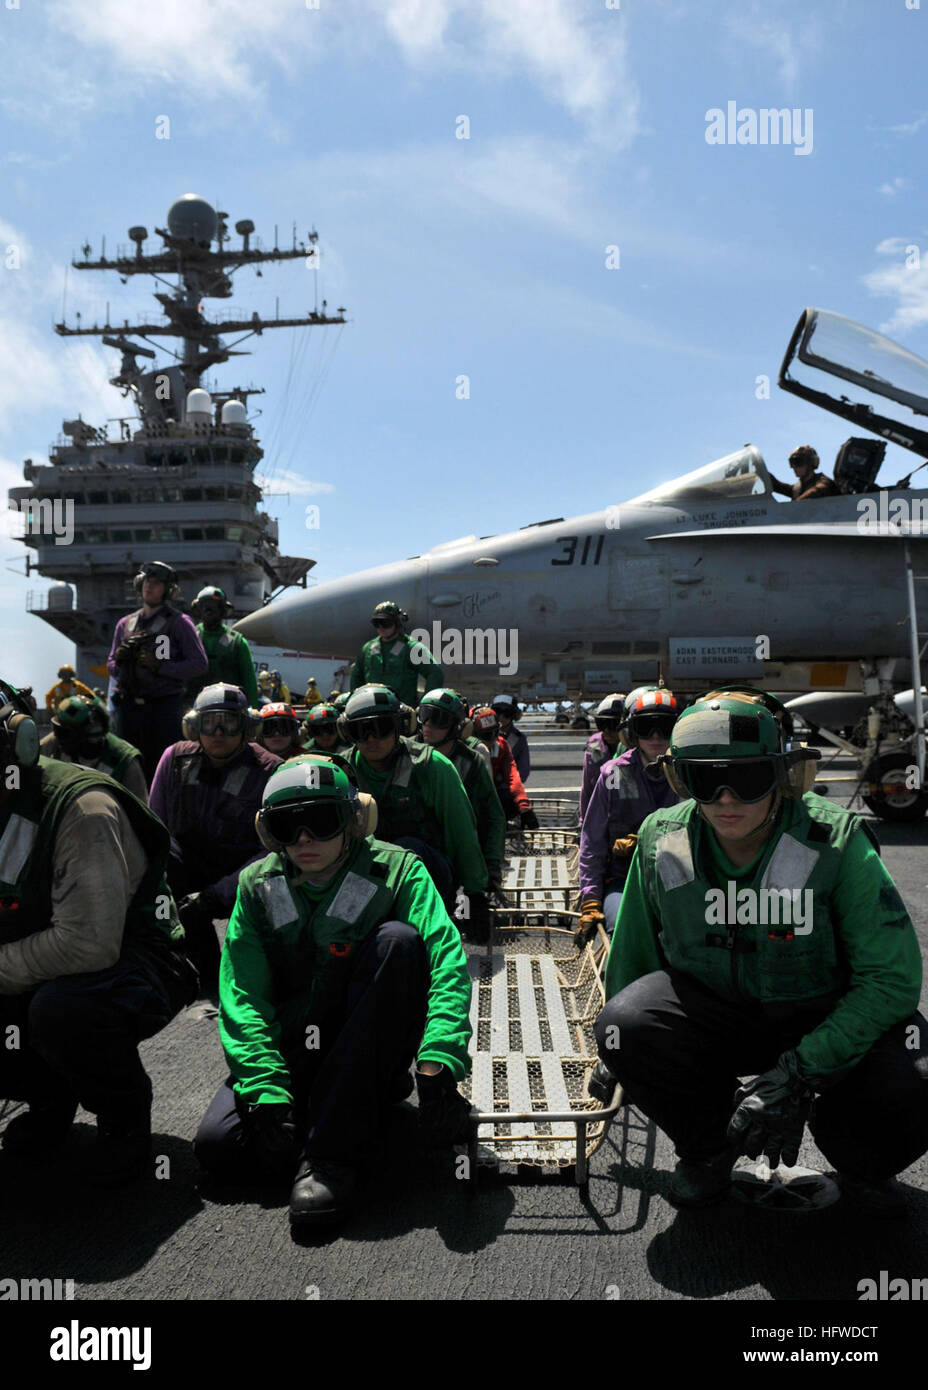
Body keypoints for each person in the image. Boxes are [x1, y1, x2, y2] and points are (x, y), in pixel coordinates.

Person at [594, 693, 928, 1217]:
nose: (727, 800)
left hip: (821, 1015)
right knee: (627, 1023)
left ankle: (860, 1158)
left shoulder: (834, 842)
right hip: (718, 1019)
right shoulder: (663, 839)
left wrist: (801, 1072)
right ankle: (709, 1149)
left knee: (919, 1070)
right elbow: (635, 955)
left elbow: (891, 980)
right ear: (682, 781)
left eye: (747, 779)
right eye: (707, 781)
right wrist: (614, 1053)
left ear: (781, 775)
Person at [193, 756, 473, 1226]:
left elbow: (446, 955)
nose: (303, 840)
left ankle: (329, 1155)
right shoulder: (259, 884)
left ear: (355, 818)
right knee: (219, 1149)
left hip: (365, 1039)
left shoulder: (398, 870)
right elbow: (242, 992)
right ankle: (347, 1116)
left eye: (321, 822)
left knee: (399, 943)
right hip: (292, 1043)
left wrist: (441, 1054)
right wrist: (264, 1085)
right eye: (287, 826)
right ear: (268, 832)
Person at [0, 679, 196, 1184]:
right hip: (37, 946)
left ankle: (123, 1120)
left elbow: (87, 944)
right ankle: (49, 1099)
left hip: (137, 958)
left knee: (63, 1011)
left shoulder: (80, 808)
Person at [148, 684, 280, 988]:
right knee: (158, 859)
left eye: (229, 722)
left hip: (245, 874)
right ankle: (189, 968)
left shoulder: (271, 771)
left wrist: (215, 896)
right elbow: (155, 828)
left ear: (247, 726)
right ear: (194, 726)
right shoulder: (174, 759)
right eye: (209, 722)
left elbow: (274, 850)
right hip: (190, 866)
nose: (218, 731)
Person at [340, 684, 489, 932]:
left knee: (409, 847)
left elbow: (460, 832)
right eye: (360, 730)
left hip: (426, 872)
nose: (371, 739)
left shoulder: (431, 767)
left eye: (381, 728)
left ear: (400, 725)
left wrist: (473, 893)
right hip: (362, 876)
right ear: (346, 732)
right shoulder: (340, 773)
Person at [578, 686, 680, 942]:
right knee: (623, 934)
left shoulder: (688, 775)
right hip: (624, 880)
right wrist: (590, 898)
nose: (656, 737)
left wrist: (647, 842)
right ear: (632, 732)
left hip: (680, 880)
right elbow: (593, 840)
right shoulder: (613, 774)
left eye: (664, 728)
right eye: (647, 727)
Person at [107, 560, 208, 782]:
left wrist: (161, 667)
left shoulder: (180, 623)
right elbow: (111, 663)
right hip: (129, 710)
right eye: (145, 581)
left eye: (156, 583)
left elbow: (199, 663)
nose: (148, 587)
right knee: (129, 769)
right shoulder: (125, 624)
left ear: (168, 590)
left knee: (164, 770)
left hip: (164, 709)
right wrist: (121, 664)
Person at [416, 688, 507, 925]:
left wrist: (492, 864)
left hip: (461, 854)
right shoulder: (406, 755)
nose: (428, 725)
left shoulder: (471, 762)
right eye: (424, 715)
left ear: (457, 727)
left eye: (438, 719)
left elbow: (492, 816)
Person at [40, 694, 148, 802]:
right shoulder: (57, 740)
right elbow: (30, 757)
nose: (57, 736)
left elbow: (141, 807)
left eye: (63, 733)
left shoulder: (124, 760)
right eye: (56, 729)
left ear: (91, 736)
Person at [350, 601, 442, 708]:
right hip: (372, 713)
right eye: (376, 623)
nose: (381, 627)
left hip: (400, 715)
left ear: (397, 622)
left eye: (385, 623)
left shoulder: (411, 648)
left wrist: (425, 705)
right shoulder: (368, 649)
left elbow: (435, 673)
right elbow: (356, 677)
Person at [187, 585, 259, 707]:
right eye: (205, 607)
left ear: (222, 611)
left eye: (213, 607)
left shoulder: (238, 643)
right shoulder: (189, 639)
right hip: (193, 710)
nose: (208, 611)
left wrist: (253, 710)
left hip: (228, 712)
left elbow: (249, 682)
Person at [471, 706, 539, 830]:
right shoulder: (466, 749)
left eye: (495, 733)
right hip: (470, 802)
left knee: (508, 798)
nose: (491, 740)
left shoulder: (502, 746)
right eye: (486, 735)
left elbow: (513, 776)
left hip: (491, 798)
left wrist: (524, 807)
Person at [579, 692, 627, 820]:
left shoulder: (638, 748)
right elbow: (587, 786)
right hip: (601, 812)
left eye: (613, 725)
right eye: (602, 724)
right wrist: (584, 820)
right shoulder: (595, 745)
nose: (607, 730)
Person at [770, 445, 838, 502]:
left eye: (798, 462)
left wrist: (796, 504)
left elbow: (817, 490)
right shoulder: (797, 489)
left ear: (810, 463)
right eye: (792, 462)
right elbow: (778, 486)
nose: (794, 466)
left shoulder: (824, 482)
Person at [491, 695, 530, 783]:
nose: (501, 717)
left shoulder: (519, 739)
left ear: (513, 715)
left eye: (506, 714)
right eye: (498, 713)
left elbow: (523, 770)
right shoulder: (485, 734)